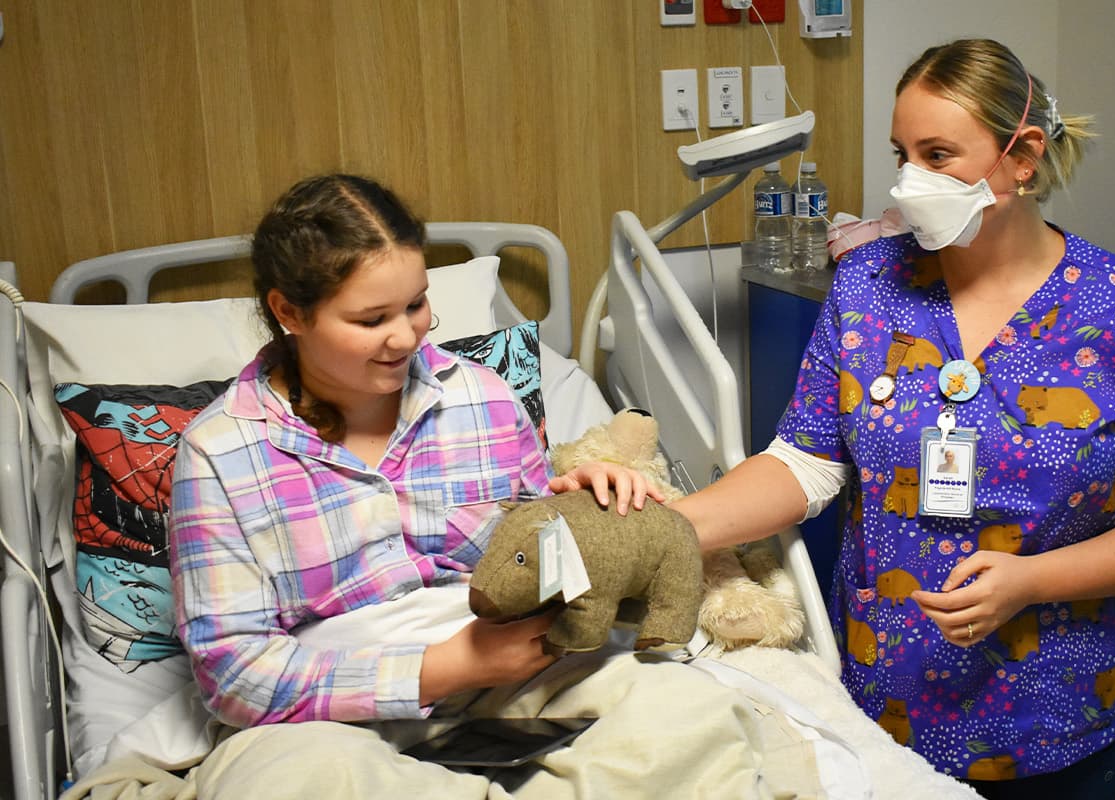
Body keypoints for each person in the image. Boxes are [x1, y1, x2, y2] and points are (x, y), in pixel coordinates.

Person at [163, 175, 823, 797]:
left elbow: (529, 551)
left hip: (515, 666)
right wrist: (447, 667)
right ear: (290, 312)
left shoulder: (477, 398)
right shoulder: (223, 454)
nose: (404, 337)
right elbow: (235, 673)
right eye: (370, 320)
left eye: (416, 305)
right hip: (329, 710)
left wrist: (581, 511)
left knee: (691, 716)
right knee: (292, 785)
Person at [671, 38, 1115, 799]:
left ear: (1023, 155)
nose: (911, 180)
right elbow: (804, 461)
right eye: (902, 152)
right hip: (887, 694)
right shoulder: (868, 285)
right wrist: (671, 528)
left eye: (939, 154)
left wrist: (1033, 580)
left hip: (1060, 704)